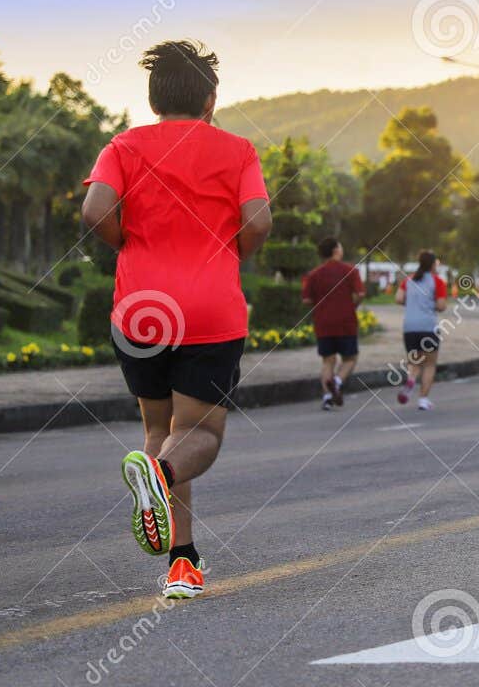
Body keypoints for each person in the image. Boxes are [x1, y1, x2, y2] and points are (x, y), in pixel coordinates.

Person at [82, 40, 271, 601]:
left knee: (159, 433)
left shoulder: (124, 145)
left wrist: (129, 245)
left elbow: (95, 210)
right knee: (202, 435)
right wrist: (230, 253)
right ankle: (160, 482)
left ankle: (182, 563)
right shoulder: (237, 150)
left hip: (141, 310)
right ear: (211, 99)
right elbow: (258, 221)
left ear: (152, 98)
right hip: (210, 309)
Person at [302, 236, 364, 409]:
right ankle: (336, 381)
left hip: (323, 323)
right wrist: (353, 306)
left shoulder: (313, 274)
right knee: (350, 358)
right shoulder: (350, 271)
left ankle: (327, 398)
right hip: (346, 321)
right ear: (337, 250)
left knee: (328, 361)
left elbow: (306, 300)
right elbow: (360, 294)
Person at [396, 250, 448, 411]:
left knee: (414, 361)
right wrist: (428, 305)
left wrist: (413, 304)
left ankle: (411, 380)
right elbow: (441, 306)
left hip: (409, 327)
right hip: (428, 327)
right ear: (433, 265)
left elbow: (398, 299)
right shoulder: (437, 282)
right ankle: (423, 400)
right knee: (430, 364)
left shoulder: (408, 280)